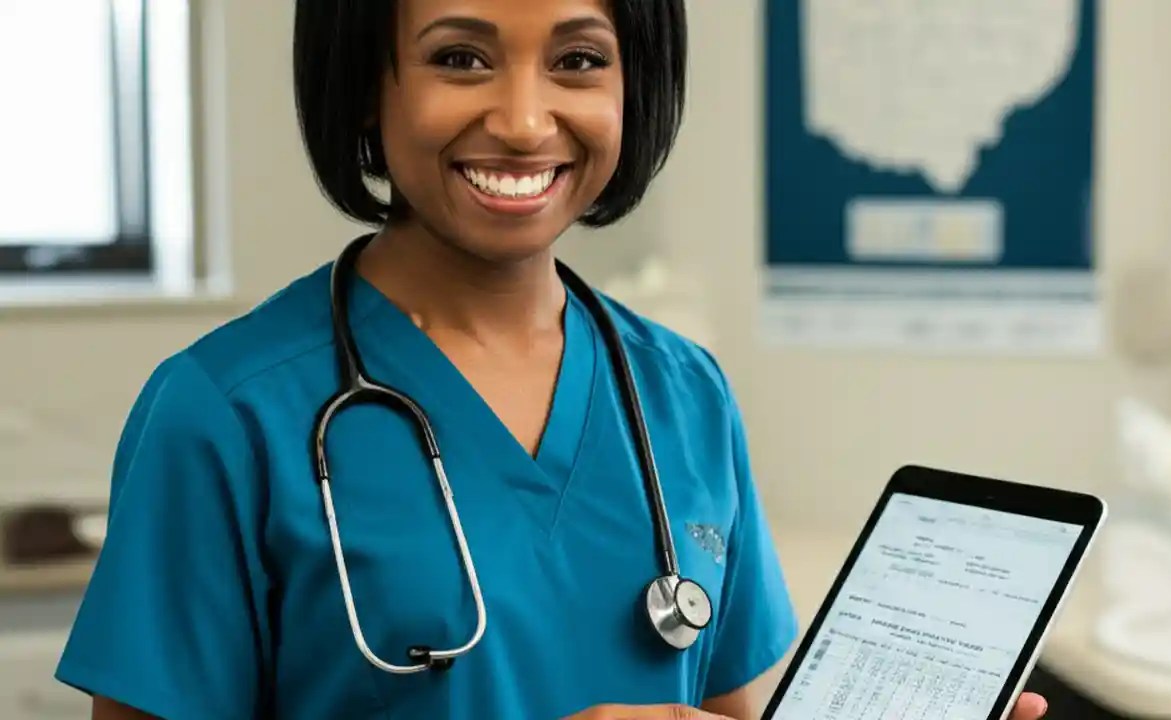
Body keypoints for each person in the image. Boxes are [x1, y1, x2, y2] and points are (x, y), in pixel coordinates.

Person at [54, 1, 1052, 718]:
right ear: (367, 86)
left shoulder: (682, 393)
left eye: (578, 60)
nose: (526, 122)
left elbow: (731, 703)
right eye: (458, 58)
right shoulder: (225, 413)